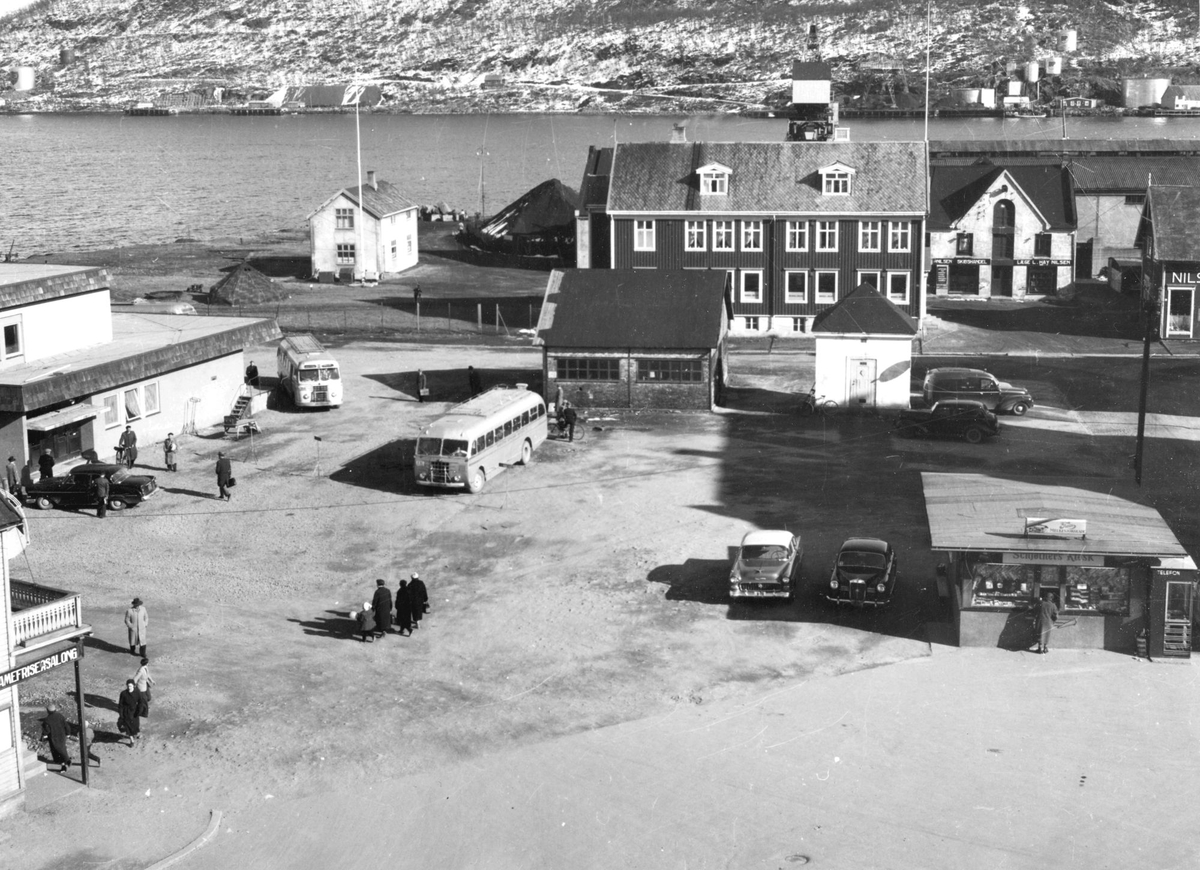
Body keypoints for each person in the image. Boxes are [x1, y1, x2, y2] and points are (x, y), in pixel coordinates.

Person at [41, 703, 71, 773]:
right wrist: (68, 733)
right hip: (62, 736)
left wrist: (43, 736)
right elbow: (66, 726)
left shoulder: (47, 720)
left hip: (54, 738)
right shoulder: (60, 716)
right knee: (63, 749)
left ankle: (64, 765)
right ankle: (67, 760)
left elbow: (46, 731)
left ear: (48, 710)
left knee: (56, 752)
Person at [117, 680, 142, 746]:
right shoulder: (123, 693)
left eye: (130, 686)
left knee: (135, 725)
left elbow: (140, 702)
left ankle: (134, 734)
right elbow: (121, 705)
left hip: (134, 712)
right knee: (128, 727)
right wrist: (121, 714)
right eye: (128, 686)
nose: (129, 687)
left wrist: (139, 711)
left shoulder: (137, 692)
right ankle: (132, 741)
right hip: (126, 712)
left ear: (134, 685)